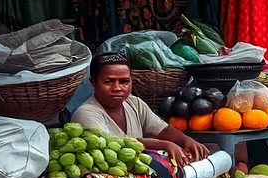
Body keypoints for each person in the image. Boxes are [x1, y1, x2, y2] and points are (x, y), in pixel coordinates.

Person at [71, 53, 212, 170]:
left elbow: (163, 130)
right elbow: (114, 144)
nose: (117, 88)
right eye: (108, 82)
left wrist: (186, 140)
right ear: (93, 83)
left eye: (124, 82)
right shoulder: (85, 113)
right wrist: (164, 144)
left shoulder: (134, 102)